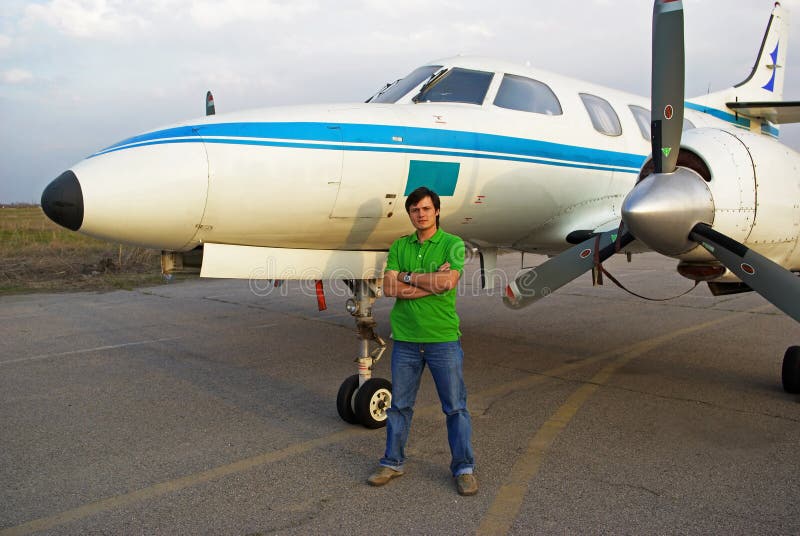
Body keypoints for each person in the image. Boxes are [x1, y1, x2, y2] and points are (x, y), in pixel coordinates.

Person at [367, 186, 477, 496]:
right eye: (415, 210)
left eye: (426, 209)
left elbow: (448, 282)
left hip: (442, 338)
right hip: (405, 340)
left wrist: (407, 276)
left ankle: (464, 468)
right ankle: (392, 462)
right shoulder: (400, 245)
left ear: (437, 211)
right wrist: (427, 282)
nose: (421, 214)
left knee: (455, 407)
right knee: (400, 406)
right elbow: (389, 288)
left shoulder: (452, 244)